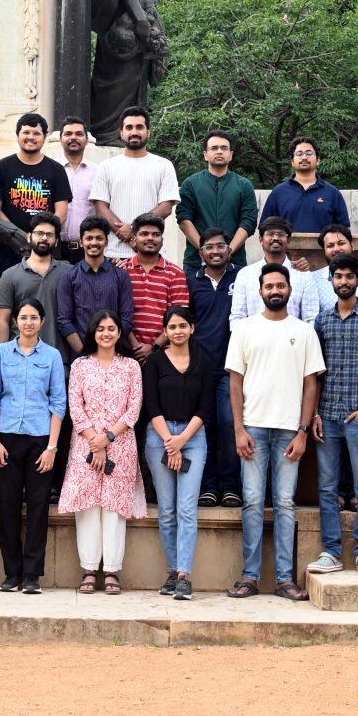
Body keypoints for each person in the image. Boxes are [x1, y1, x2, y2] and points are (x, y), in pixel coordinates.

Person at [226, 263, 324, 600]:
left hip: (288, 431)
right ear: (260, 292)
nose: (275, 291)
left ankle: (285, 579)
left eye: (280, 286)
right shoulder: (244, 329)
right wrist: (239, 429)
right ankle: (249, 576)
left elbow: (311, 385)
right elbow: (235, 383)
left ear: (289, 290)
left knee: (285, 503)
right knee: (252, 501)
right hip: (252, 427)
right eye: (269, 287)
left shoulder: (304, 331)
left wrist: (302, 431)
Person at [307, 255, 358, 577]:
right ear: (331, 281)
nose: (343, 281)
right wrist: (313, 414)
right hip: (327, 416)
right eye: (338, 276)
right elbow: (314, 373)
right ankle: (330, 551)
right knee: (327, 487)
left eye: (348, 276)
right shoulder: (322, 321)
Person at [60, 310, 146, 594]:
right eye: (100, 328)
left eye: (111, 328)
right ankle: (88, 569)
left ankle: (111, 570)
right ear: (93, 333)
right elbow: (75, 405)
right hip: (85, 443)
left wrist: (107, 438)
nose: (106, 333)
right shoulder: (81, 365)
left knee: (113, 507)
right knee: (87, 506)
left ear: (119, 333)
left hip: (120, 444)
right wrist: (94, 440)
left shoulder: (131, 367)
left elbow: (134, 408)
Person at [0, 299, 66, 593]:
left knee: (38, 507)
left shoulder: (53, 356)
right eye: (23, 317)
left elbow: (58, 403)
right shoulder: (0, 353)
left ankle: (32, 574)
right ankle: (12, 573)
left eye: (34, 317)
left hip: (40, 440)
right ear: (16, 321)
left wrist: (52, 447)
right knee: (7, 507)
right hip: (6, 437)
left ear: (42, 322)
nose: (28, 322)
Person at [142, 306, 213, 600]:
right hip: (159, 437)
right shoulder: (155, 363)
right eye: (172, 327)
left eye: (183, 325)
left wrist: (181, 440)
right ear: (166, 332)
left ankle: (184, 575)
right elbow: (151, 404)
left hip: (192, 438)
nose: (178, 331)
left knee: (186, 508)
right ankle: (173, 570)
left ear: (192, 329)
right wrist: (169, 440)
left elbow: (205, 407)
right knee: (168, 510)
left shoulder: (204, 362)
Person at [186, 229, 242, 509]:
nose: (216, 251)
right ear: (201, 253)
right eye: (210, 247)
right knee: (203, 427)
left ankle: (230, 486)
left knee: (229, 425)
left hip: (232, 368)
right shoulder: (191, 281)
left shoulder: (242, 277)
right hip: (199, 370)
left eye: (222, 245)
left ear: (229, 250)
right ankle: (208, 486)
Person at [89, 106, 178, 259]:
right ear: (121, 133)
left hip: (152, 254)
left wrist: (133, 227)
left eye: (140, 127)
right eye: (129, 127)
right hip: (114, 254)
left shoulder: (164, 165)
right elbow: (100, 207)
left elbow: (166, 207)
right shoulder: (106, 166)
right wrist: (130, 237)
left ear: (148, 132)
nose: (134, 132)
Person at [0, 112, 69, 282]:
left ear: (45, 137)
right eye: (26, 132)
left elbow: (62, 213)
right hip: (8, 249)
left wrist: (40, 235)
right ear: (18, 135)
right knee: (5, 302)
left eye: (36, 133)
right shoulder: (2, 167)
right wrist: (18, 235)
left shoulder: (56, 169)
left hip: (46, 249)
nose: (31, 137)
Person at [176, 130, 258, 272]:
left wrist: (228, 251)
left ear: (231, 154)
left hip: (235, 261)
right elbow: (184, 219)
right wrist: (205, 250)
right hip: (196, 261)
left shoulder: (244, 185)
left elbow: (248, 221)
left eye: (224, 148)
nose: (219, 152)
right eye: (214, 148)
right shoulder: (191, 184)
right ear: (205, 155)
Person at [57, 216, 134, 357]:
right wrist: (85, 356)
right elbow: (65, 321)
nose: (94, 242)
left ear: (106, 242)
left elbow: (127, 319)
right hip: (81, 356)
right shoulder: (69, 277)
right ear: (81, 242)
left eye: (99, 238)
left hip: (115, 354)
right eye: (89, 238)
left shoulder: (121, 276)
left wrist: (110, 349)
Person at [230, 218, 322, 323]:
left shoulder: (303, 275)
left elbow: (311, 318)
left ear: (289, 240)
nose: (275, 238)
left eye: (281, 234)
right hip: (254, 338)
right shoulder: (245, 274)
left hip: (292, 338)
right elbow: (238, 316)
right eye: (270, 234)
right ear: (260, 239)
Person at [0, 213, 64, 349]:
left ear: (56, 241)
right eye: (39, 233)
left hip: (59, 358)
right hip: (19, 358)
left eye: (49, 235)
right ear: (28, 236)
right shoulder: (9, 275)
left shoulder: (68, 273)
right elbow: (2, 321)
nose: (44, 238)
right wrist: (4, 356)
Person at [120, 213, 184, 359]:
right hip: (128, 353)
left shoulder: (176, 273)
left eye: (156, 234)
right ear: (134, 239)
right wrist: (136, 346)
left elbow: (178, 317)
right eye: (144, 234)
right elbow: (119, 312)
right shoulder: (122, 271)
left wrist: (154, 346)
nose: (150, 238)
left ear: (162, 240)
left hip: (165, 355)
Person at [261, 134, 350, 234]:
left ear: (318, 160)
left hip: (323, 249)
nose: (304, 157)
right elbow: (265, 230)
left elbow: (345, 231)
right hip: (288, 249)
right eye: (299, 153)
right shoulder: (278, 193)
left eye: (309, 153)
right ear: (292, 161)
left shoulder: (332, 193)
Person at [55, 116, 97, 263]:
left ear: (86, 138)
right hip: (55, 250)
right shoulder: (51, 170)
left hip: (88, 251)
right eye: (68, 134)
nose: (73, 137)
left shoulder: (97, 172)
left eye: (79, 134)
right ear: (60, 139)